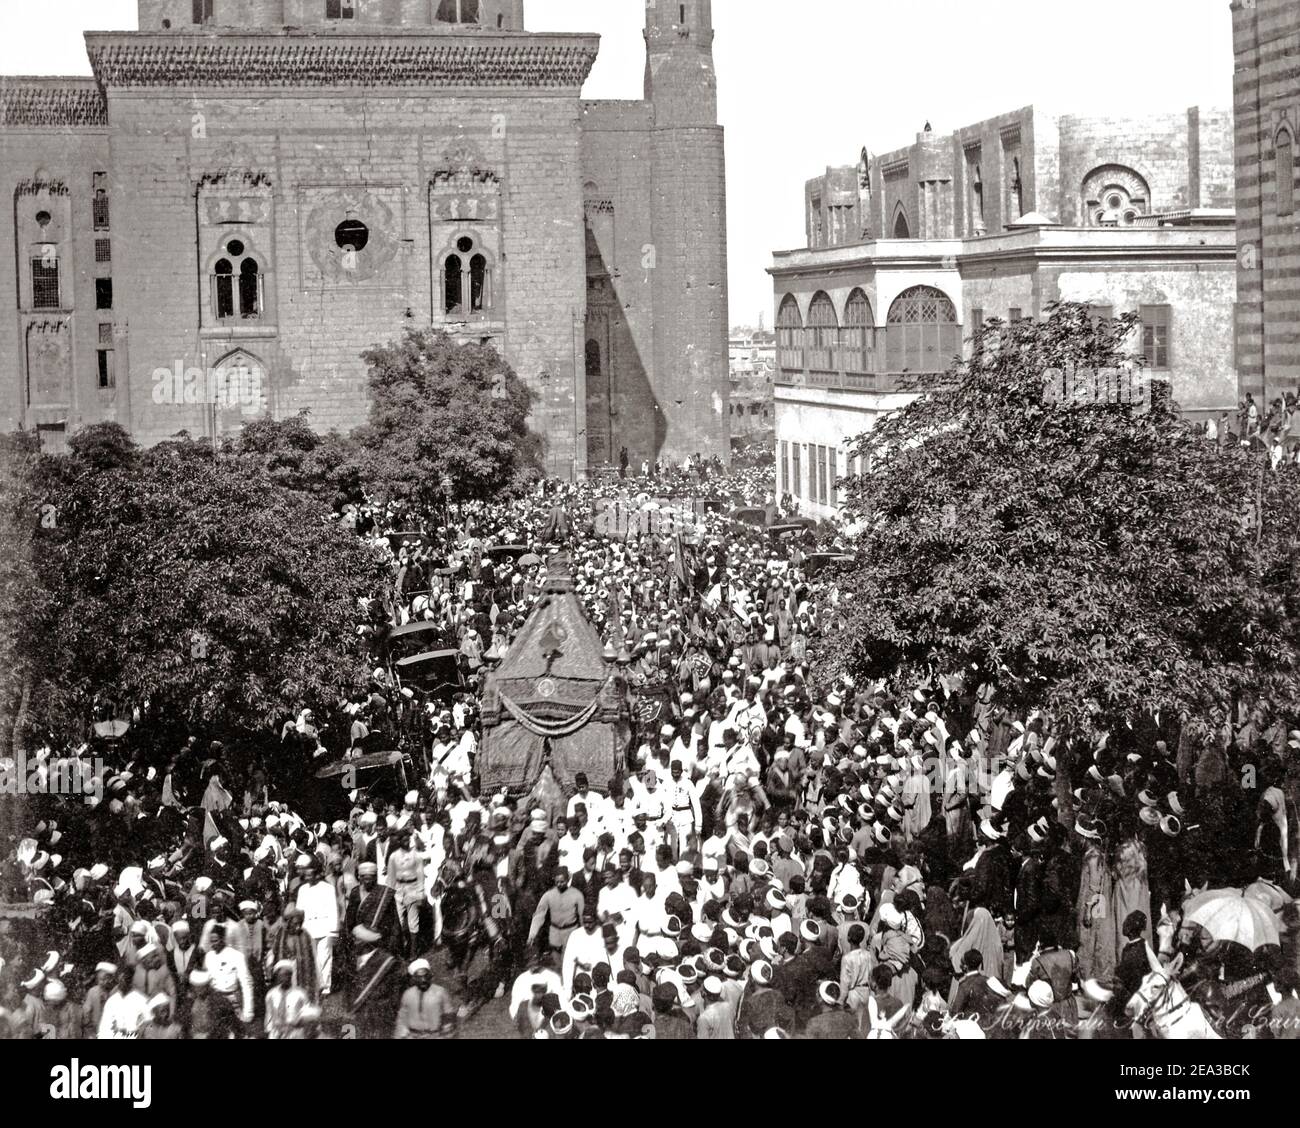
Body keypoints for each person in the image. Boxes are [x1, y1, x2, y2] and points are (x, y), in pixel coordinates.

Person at [394, 959, 454, 1039]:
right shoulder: (408, 994)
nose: (423, 980)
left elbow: (449, 1016)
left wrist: (446, 1034)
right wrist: (401, 1034)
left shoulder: (440, 992)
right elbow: (402, 1019)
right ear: (414, 978)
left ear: (430, 976)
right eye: (419, 977)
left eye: (425, 976)